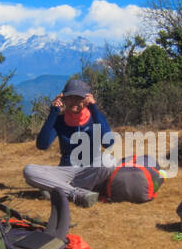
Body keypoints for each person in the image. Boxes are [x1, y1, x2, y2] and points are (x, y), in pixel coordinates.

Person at [21, 77, 116, 208]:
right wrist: (53, 113)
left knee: (109, 161)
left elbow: (109, 143)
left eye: (79, 98)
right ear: (63, 99)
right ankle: (74, 192)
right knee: (29, 170)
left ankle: (59, 189)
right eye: (70, 98)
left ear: (86, 99)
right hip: (67, 170)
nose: (74, 102)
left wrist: (94, 109)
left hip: (91, 169)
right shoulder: (59, 121)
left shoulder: (95, 118)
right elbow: (42, 145)